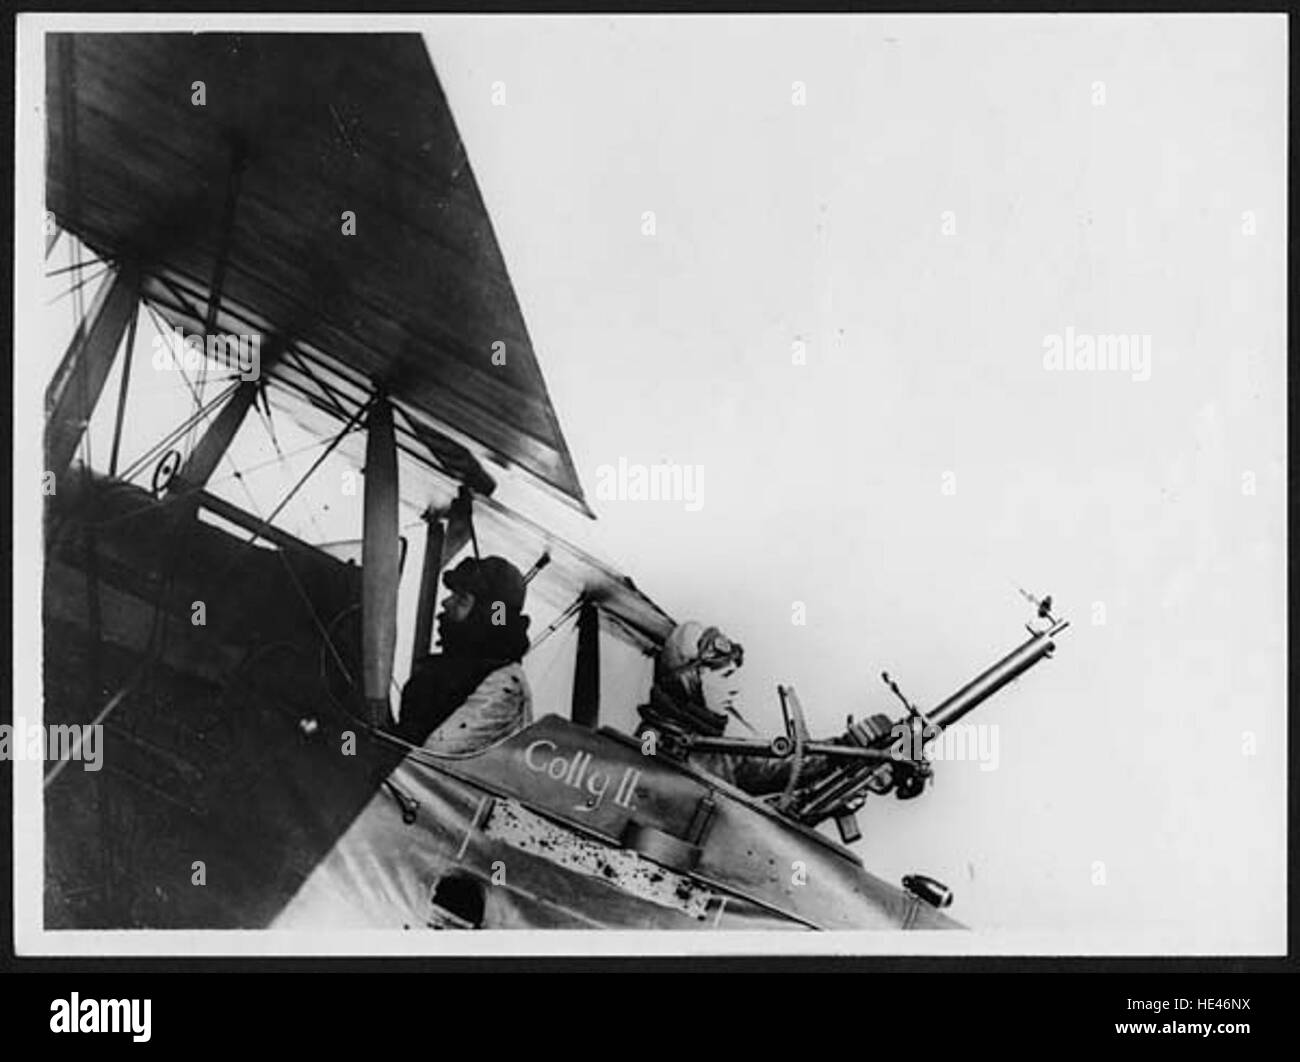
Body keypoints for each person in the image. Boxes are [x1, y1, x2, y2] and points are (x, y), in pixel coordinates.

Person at [636, 620, 849, 798]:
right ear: (688, 681)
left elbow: (768, 770)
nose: (735, 689)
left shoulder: (712, 748)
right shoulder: (650, 740)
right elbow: (639, 782)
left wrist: (839, 750)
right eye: (725, 676)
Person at [394, 555, 532, 754]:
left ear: (485, 615)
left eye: (462, 599)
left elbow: (435, 753)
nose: (445, 603)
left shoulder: (505, 684)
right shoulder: (460, 667)